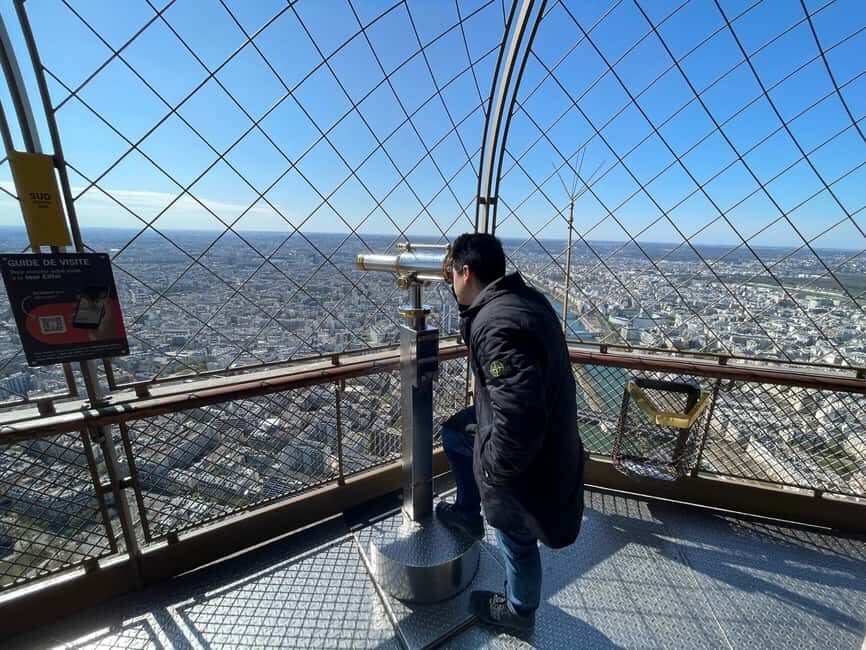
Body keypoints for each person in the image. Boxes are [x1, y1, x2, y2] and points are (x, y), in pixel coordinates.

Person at [436, 232, 585, 633]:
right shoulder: (524, 302)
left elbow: (518, 417)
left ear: (466, 272)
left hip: (528, 459)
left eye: (451, 274)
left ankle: (519, 612)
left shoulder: (496, 325)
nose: (449, 282)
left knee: (516, 539)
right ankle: (468, 513)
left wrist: (492, 473)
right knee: (454, 433)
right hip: (551, 440)